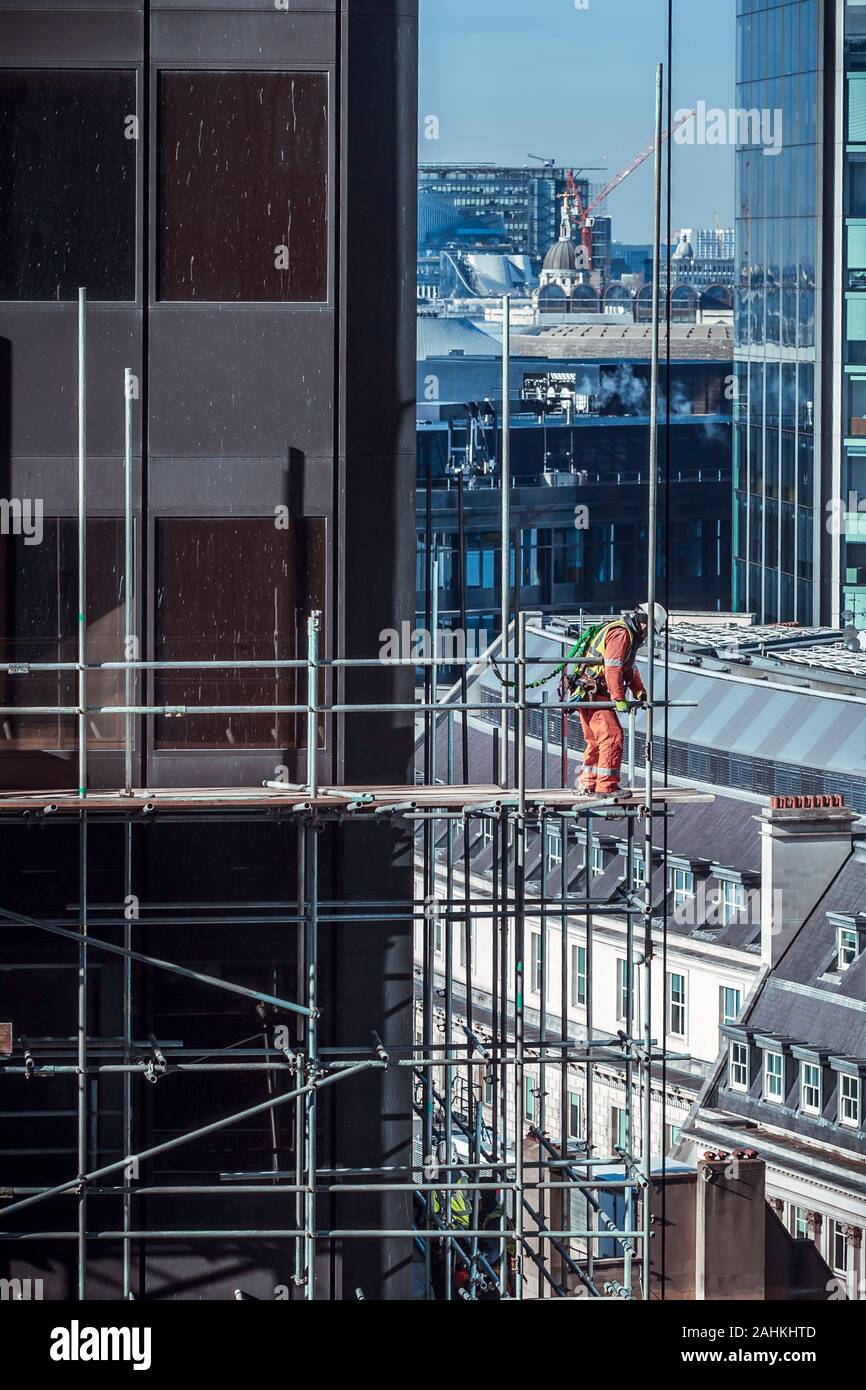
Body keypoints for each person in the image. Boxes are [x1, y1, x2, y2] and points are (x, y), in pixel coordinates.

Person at [573, 603, 667, 796]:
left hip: (587, 690)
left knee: (596, 741)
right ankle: (606, 787)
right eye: (649, 629)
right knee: (612, 737)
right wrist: (619, 697)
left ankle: (588, 782)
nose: (648, 634)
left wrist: (638, 690)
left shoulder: (623, 632)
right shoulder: (622, 634)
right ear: (644, 622)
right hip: (595, 692)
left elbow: (628, 669)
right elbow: (613, 667)